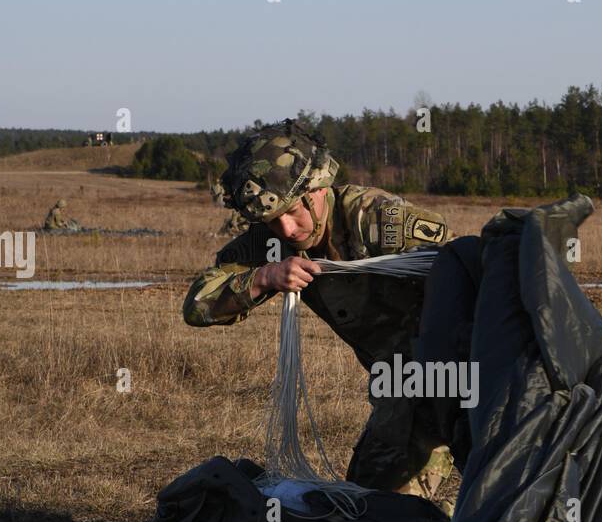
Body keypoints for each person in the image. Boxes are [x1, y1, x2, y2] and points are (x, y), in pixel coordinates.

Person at [183, 120, 457, 500]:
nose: (287, 228)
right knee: (372, 510)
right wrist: (265, 277)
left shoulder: (376, 219)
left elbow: (461, 270)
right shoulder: (271, 242)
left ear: (318, 188)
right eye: (271, 220)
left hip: (465, 369)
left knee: (512, 483)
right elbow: (198, 304)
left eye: (293, 211)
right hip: (402, 386)